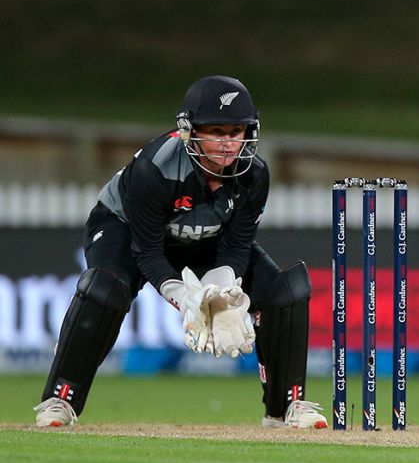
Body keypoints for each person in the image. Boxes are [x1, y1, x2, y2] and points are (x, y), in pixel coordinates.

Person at [34, 75, 326, 429]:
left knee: (286, 291)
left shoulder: (255, 176)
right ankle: (59, 400)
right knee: (104, 289)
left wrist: (220, 291)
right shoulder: (154, 170)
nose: (227, 144)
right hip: (124, 230)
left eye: (236, 132)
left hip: (207, 238)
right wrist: (189, 299)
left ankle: (284, 410)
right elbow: (147, 253)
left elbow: (236, 245)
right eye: (216, 131)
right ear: (189, 131)